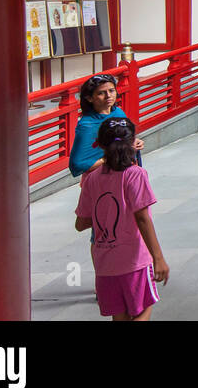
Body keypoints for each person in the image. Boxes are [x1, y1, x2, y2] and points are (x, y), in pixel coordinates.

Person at [74, 116, 169, 320]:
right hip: (134, 260)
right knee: (144, 309)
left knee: (119, 317)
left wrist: (106, 212)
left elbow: (80, 223)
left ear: (99, 145)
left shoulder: (91, 179)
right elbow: (142, 218)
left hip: (105, 264)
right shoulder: (136, 174)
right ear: (133, 142)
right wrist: (158, 258)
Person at [69, 74, 143, 178]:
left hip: (124, 173)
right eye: (101, 93)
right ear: (89, 98)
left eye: (111, 91)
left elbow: (123, 137)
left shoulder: (118, 113)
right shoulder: (87, 125)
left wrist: (134, 141)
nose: (108, 96)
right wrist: (111, 157)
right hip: (100, 178)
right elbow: (77, 164)